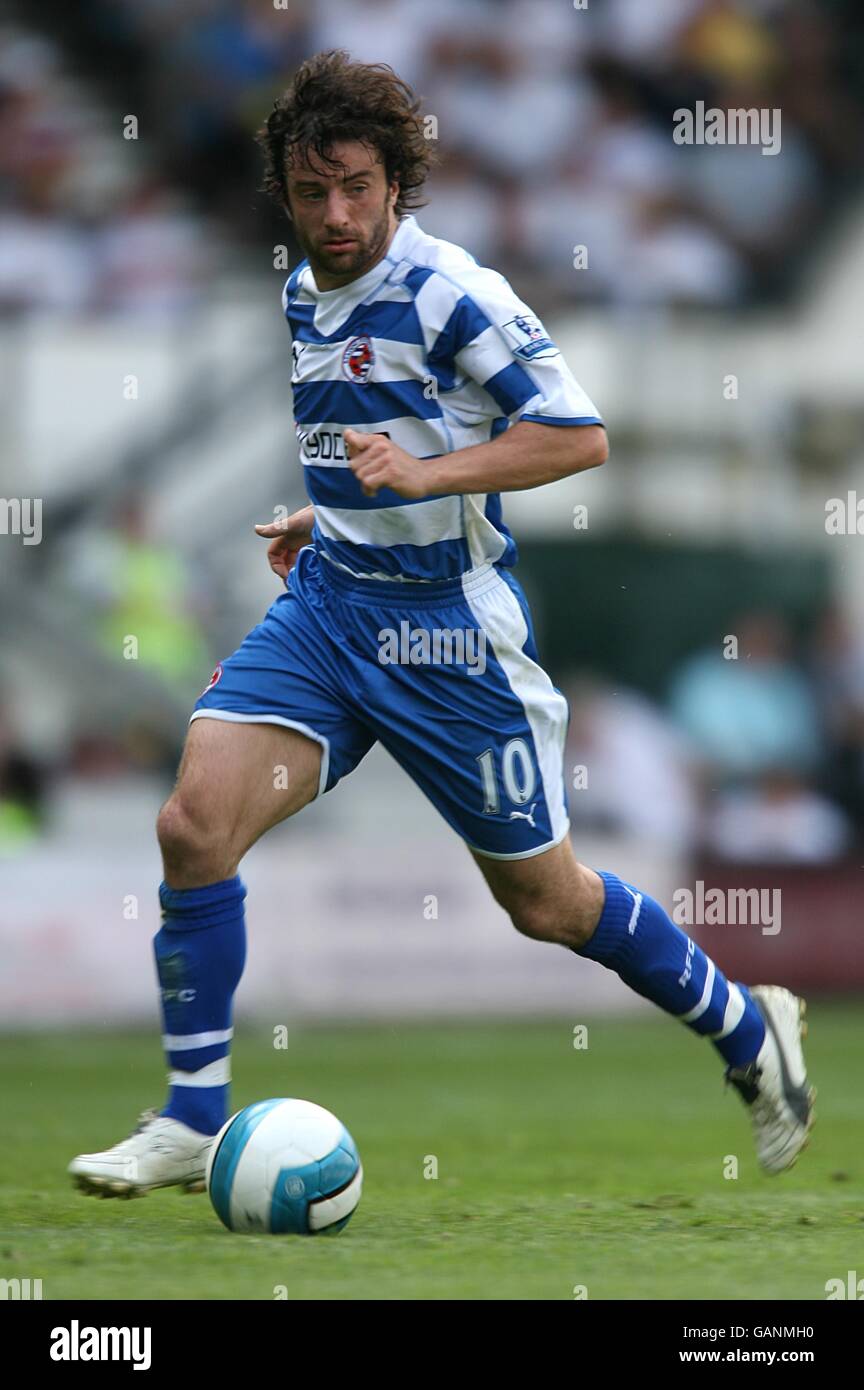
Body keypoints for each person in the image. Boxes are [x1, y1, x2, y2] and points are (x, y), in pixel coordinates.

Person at [68, 50, 813, 1197]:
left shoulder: (452, 289)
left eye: (357, 187)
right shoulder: (300, 290)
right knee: (192, 823)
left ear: (397, 181)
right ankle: (190, 1117)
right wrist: (330, 514)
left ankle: (747, 1027)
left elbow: (576, 434)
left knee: (548, 904)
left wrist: (425, 479)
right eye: (313, 192)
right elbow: (365, 436)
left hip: (449, 642)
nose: (336, 213)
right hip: (330, 612)